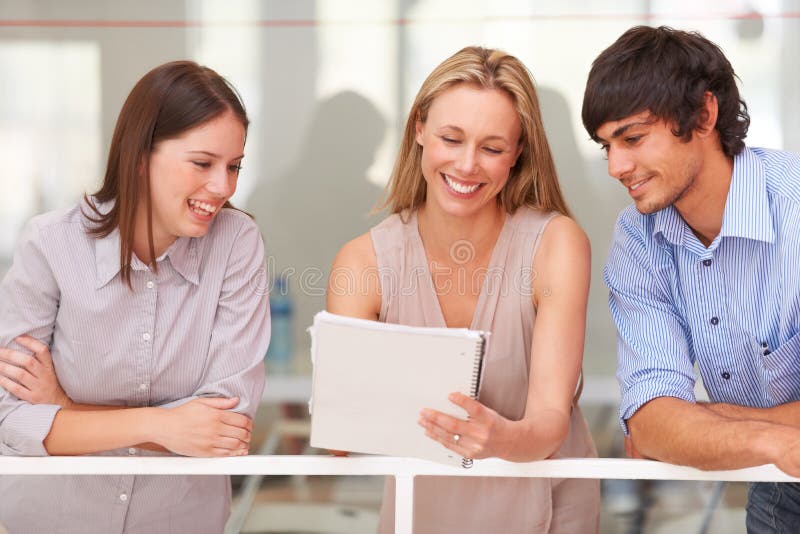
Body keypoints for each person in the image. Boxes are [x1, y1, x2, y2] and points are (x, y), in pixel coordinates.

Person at [328, 46, 599, 533]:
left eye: (493, 148)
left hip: (549, 508)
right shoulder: (363, 263)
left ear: (517, 154)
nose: (467, 164)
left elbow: (550, 422)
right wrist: (342, 416)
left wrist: (498, 438)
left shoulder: (556, 245)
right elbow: (346, 433)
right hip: (424, 511)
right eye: (451, 138)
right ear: (419, 130)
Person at [0, 61, 270, 533]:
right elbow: (12, 421)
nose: (223, 187)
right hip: (50, 519)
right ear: (141, 154)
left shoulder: (236, 242)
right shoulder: (50, 243)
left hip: (180, 520)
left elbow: (225, 428)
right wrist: (165, 426)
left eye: (234, 167)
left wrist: (65, 407)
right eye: (202, 163)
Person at [582, 25, 800, 532]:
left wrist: (707, 418)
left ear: (704, 114)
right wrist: (776, 440)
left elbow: (673, 425)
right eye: (606, 146)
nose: (617, 166)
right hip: (774, 479)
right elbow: (652, 424)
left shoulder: (794, 209)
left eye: (633, 138)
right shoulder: (638, 238)